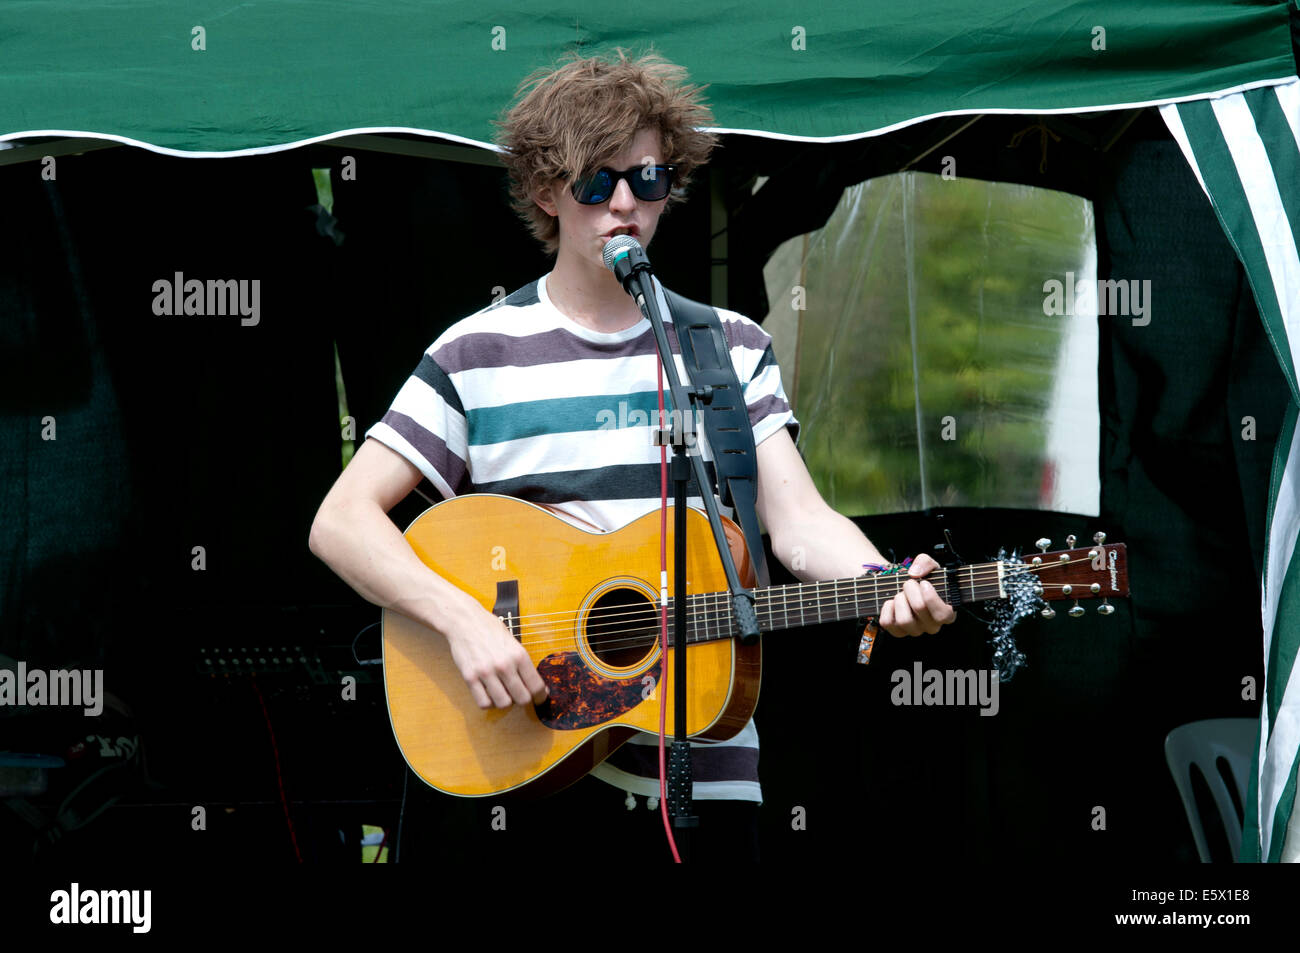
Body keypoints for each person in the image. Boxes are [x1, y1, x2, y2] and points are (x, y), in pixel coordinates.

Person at [308, 48, 956, 861]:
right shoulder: (478, 352)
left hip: (709, 780)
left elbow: (796, 523)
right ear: (547, 190)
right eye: (596, 182)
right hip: (535, 767)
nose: (624, 204)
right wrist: (465, 622)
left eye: (648, 182)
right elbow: (340, 521)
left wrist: (879, 582)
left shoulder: (726, 345)